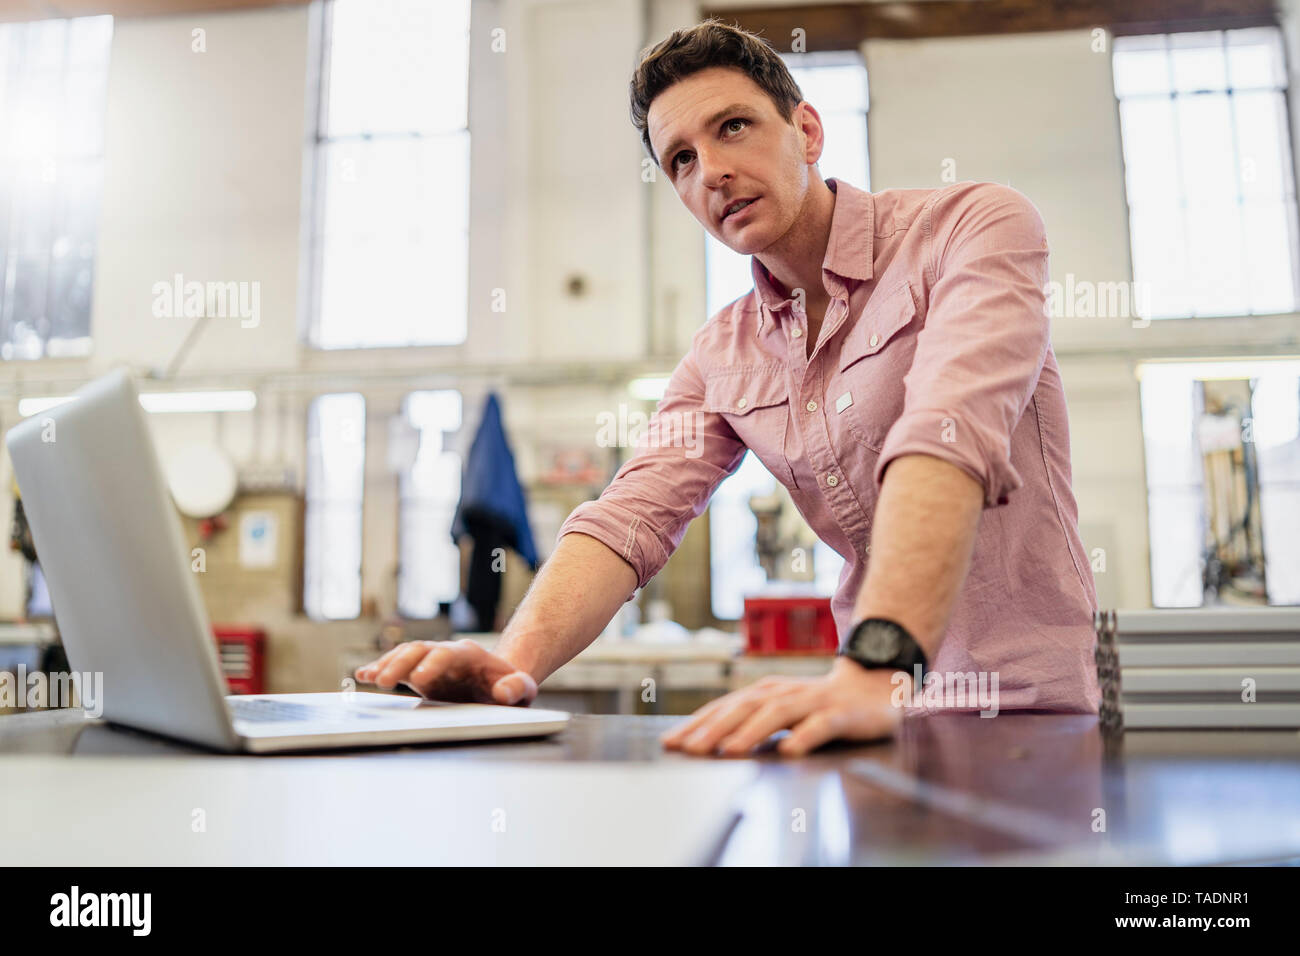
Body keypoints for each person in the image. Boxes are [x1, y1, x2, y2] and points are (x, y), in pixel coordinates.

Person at [355, 19, 1100, 757]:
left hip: (1030, 716)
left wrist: (879, 665)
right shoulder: (723, 353)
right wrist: (512, 662)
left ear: (806, 131)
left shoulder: (971, 229)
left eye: (733, 127)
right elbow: (628, 519)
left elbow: (948, 431)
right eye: (680, 158)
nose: (708, 170)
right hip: (869, 722)